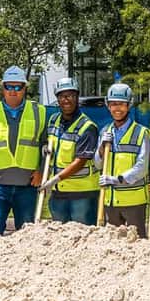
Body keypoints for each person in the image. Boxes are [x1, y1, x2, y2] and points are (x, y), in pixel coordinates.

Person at [0, 65, 48, 240]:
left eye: (18, 87)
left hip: (28, 186)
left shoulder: (39, 112)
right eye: (9, 86)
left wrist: (41, 171)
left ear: (25, 88)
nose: (13, 91)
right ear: (3, 88)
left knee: (27, 238)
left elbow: (46, 147)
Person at [41, 77, 99, 224]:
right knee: (61, 236)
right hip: (59, 193)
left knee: (83, 237)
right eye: (62, 96)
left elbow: (81, 161)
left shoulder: (87, 127)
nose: (66, 100)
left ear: (77, 97)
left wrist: (55, 179)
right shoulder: (53, 120)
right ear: (57, 99)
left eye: (70, 95)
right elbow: (49, 142)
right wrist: (45, 148)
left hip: (82, 194)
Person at [98, 82, 150, 231]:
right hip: (110, 201)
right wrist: (102, 147)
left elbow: (142, 167)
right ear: (108, 106)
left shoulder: (142, 132)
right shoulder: (105, 132)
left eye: (121, 104)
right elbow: (98, 164)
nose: (117, 108)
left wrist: (116, 180)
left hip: (133, 202)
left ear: (129, 105)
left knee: (136, 243)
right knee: (112, 244)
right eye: (113, 104)